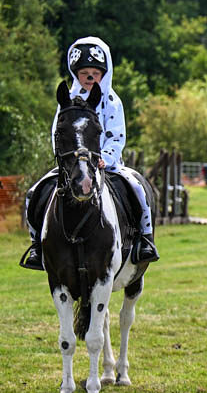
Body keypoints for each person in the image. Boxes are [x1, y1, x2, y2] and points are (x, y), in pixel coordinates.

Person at [21, 36, 158, 269]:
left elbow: (117, 136)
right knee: (33, 193)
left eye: (96, 72)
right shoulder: (67, 102)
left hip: (107, 163)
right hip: (71, 164)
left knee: (137, 188)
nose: (91, 77)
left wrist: (105, 157)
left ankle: (144, 238)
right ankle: (36, 244)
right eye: (85, 73)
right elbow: (57, 130)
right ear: (76, 74)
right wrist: (65, 158)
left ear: (104, 73)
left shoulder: (112, 101)